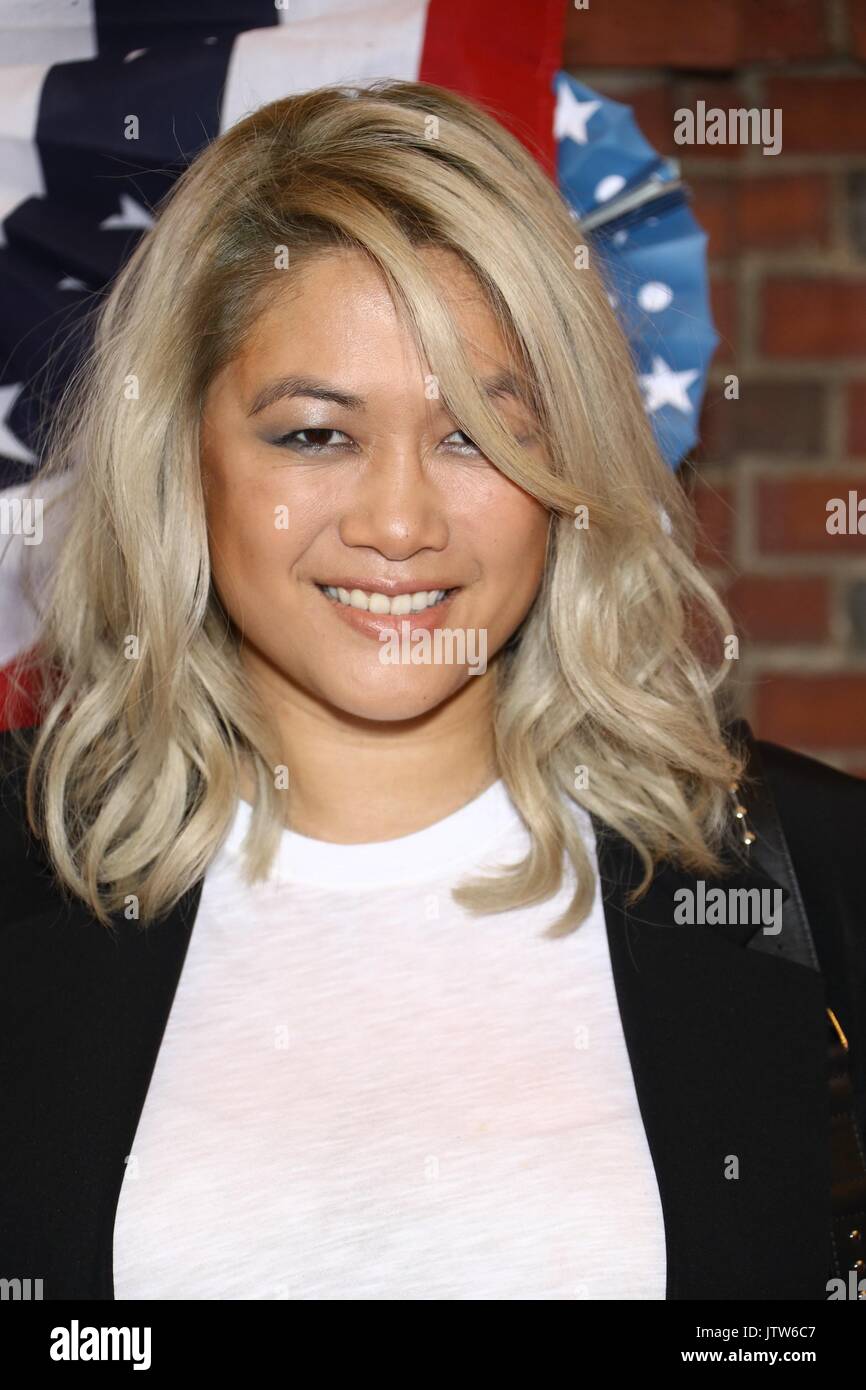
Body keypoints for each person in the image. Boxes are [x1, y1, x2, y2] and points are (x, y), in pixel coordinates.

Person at [0, 79, 864, 1303]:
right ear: (183, 456)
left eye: (472, 435)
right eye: (314, 433)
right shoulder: (20, 869)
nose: (398, 522)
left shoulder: (814, 880)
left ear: (564, 465)